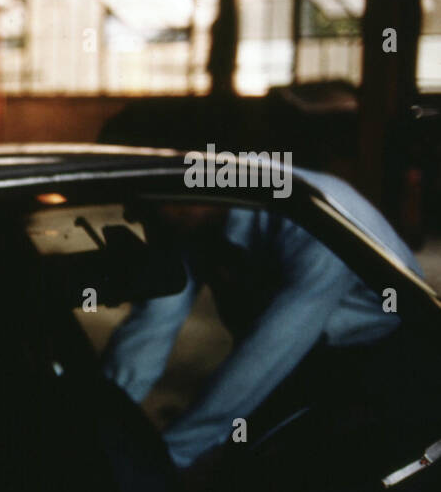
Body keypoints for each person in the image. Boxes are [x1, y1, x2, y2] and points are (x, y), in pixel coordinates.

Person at [101, 173, 424, 471]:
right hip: (294, 350)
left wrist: (170, 456)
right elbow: (152, 325)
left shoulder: (308, 218)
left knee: (294, 474)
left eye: (137, 201)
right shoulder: (190, 216)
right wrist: (98, 421)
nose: (130, 215)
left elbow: (269, 351)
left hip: (377, 356)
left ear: (185, 194)